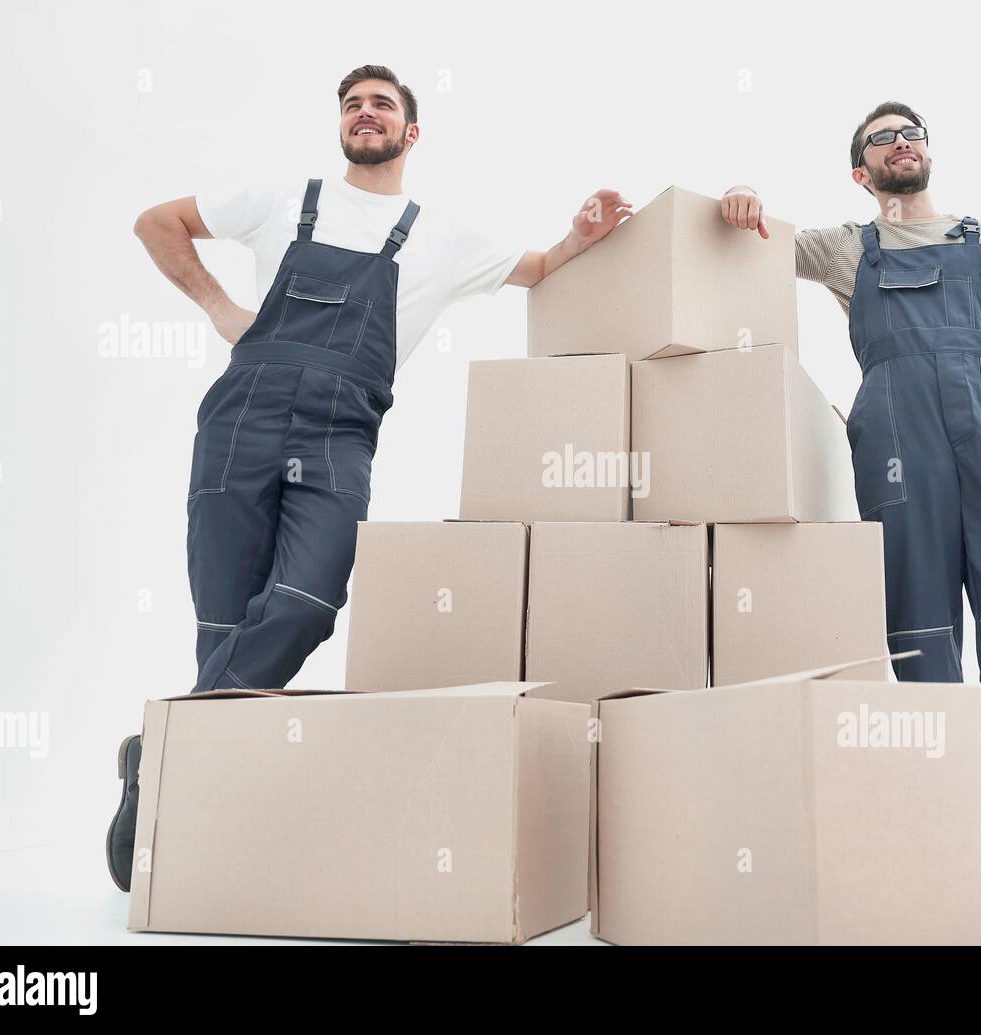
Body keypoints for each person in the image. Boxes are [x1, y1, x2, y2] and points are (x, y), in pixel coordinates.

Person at [106, 64, 630, 891]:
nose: (365, 114)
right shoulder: (281, 198)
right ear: (341, 126)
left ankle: (164, 747)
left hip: (341, 433)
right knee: (223, 623)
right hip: (243, 414)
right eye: (352, 105)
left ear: (410, 133)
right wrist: (219, 308)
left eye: (382, 104)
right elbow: (155, 220)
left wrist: (582, 235)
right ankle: (188, 835)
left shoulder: (442, 238)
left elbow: (538, 266)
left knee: (309, 601)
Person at [720, 101, 981, 895]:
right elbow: (751, 238)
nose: (902, 142)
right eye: (884, 137)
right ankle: (955, 837)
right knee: (921, 637)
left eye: (912, 132)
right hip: (897, 451)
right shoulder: (847, 247)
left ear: (927, 153)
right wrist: (740, 193)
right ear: (861, 170)